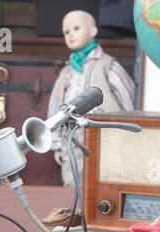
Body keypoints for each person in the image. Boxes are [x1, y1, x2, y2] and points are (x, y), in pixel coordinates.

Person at [46, 8, 136, 188]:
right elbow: (56, 105)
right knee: (72, 179)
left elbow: (128, 98)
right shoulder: (66, 72)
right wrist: (55, 142)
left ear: (93, 31)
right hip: (71, 133)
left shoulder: (108, 65)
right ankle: (76, 213)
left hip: (102, 132)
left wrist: (126, 132)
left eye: (76, 28)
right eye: (67, 32)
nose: (71, 34)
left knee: (103, 178)